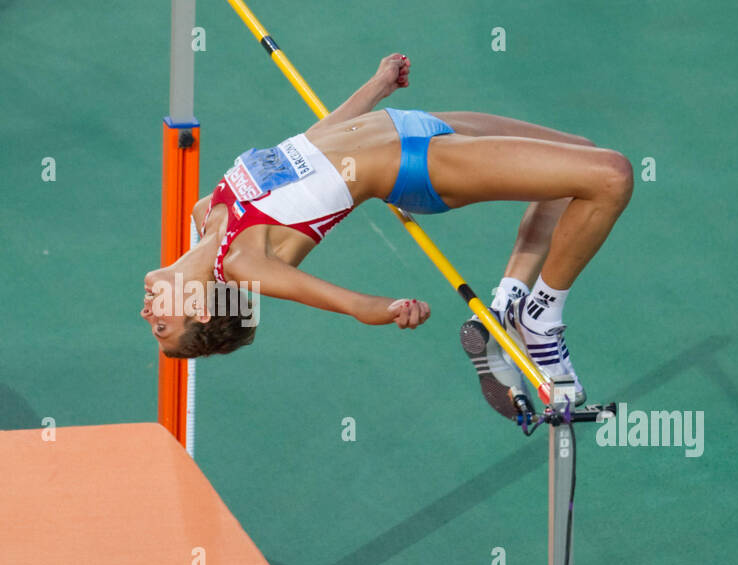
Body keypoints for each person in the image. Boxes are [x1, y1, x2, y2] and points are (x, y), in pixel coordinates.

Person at [141, 53, 633, 411]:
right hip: (418, 165)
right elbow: (347, 304)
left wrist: (375, 87)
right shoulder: (243, 264)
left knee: (578, 156)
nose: (147, 312)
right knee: (611, 175)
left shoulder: (209, 210)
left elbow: (311, 146)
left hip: (407, 122)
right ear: (200, 308)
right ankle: (543, 321)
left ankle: (507, 308)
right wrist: (392, 310)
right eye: (161, 324)